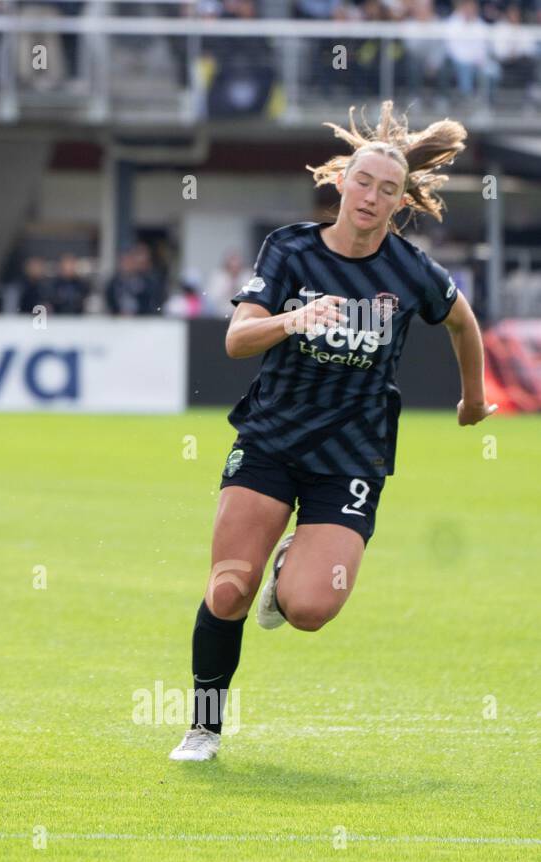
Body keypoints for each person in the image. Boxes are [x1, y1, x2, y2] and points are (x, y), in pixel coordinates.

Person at [170, 102, 495, 762]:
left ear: (401, 201)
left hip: (351, 456)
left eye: (388, 189)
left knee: (311, 607)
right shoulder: (289, 248)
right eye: (364, 181)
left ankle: (292, 565)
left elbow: (463, 323)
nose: (372, 195)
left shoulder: (412, 272)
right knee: (230, 588)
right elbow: (237, 339)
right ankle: (203, 726)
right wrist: (294, 320)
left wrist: (474, 398)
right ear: (342, 182)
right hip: (271, 439)